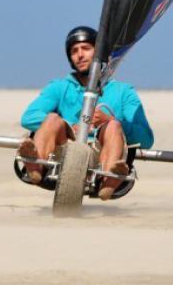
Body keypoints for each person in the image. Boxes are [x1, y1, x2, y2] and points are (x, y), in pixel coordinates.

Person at [17, 26, 154, 201]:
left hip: (101, 153)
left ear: (98, 53)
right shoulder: (59, 87)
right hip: (64, 150)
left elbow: (147, 138)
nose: (80, 55)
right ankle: (35, 166)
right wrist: (68, 127)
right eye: (74, 51)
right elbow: (29, 116)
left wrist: (111, 120)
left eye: (86, 49)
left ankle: (110, 179)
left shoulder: (123, 91)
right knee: (52, 119)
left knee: (113, 126)